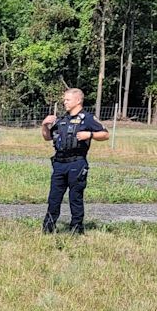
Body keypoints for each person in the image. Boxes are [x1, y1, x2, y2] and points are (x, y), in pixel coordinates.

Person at [40, 87, 108, 234]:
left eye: (67, 99)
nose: (64, 102)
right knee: (54, 197)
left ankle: (76, 229)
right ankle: (48, 228)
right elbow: (47, 137)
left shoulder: (87, 118)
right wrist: (44, 125)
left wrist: (89, 134)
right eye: (64, 99)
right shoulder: (62, 119)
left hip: (77, 163)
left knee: (75, 197)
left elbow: (105, 134)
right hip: (59, 163)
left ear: (78, 100)